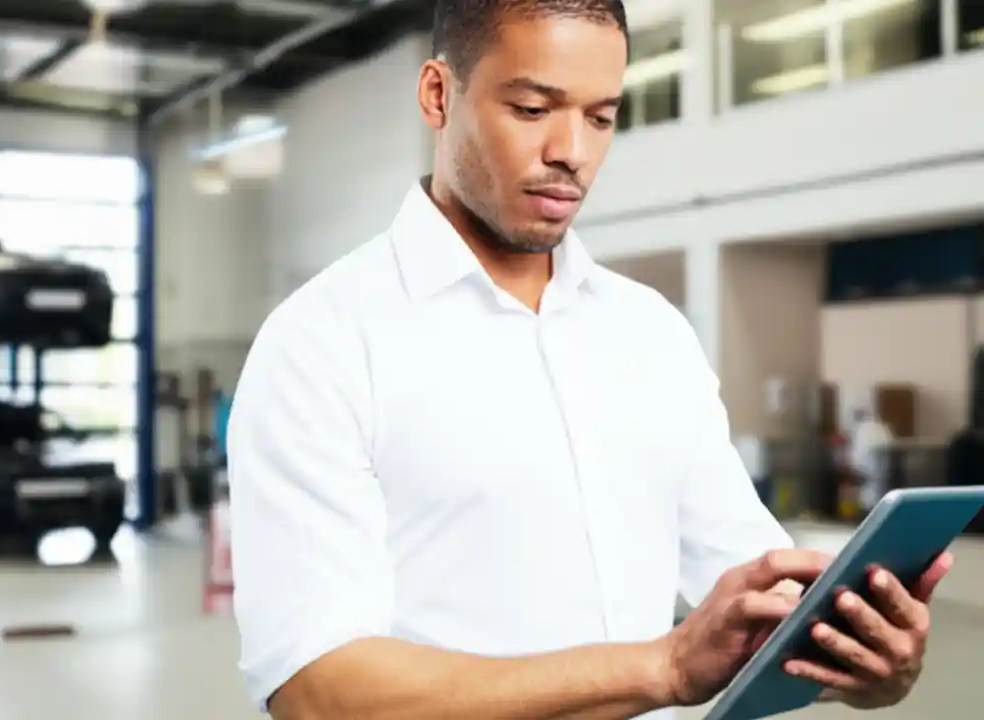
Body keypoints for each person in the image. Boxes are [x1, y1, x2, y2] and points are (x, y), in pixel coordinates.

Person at [226, 1, 954, 717]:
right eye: (532, 109)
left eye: (601, 117)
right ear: (439, 94)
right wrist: (663, 667)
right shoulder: (322, 343)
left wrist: (858, 653)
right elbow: (318, 691)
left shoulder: (651, 333)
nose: (571, 151)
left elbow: (757, 585)